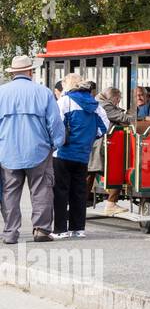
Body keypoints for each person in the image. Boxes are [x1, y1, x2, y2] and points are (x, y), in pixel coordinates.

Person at [0, 54, 64, 244]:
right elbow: (55, 123)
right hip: (39, 150)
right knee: (41, 190)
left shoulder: (1, 93)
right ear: (30, 71)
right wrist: (57, 142)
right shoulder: (43, 93)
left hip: (7, 152)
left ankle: (10, 233)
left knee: (9, 192)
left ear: (13, 73)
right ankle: (41, 230)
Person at [52, 74, 110, 239]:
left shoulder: (65, 101)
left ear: (67, 85)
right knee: (79, 191)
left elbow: (56, 124)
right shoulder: (94, 103)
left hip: (63, 153)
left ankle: (60, 229)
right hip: (83, 153)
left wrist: (57, 141)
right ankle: (78, 228)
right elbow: (105, 125)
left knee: (61, 192)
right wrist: (92, 137)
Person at [90, 86, 130, 215]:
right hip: (102, 146)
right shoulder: (105, 106)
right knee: (115, 171)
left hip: (99, 145)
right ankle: (110, 205)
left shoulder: (100, 103)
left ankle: (78, 205)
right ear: (114, 98)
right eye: (118, 99)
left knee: (91, 174)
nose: (118, 102)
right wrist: (147, 118)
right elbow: (124, 119)